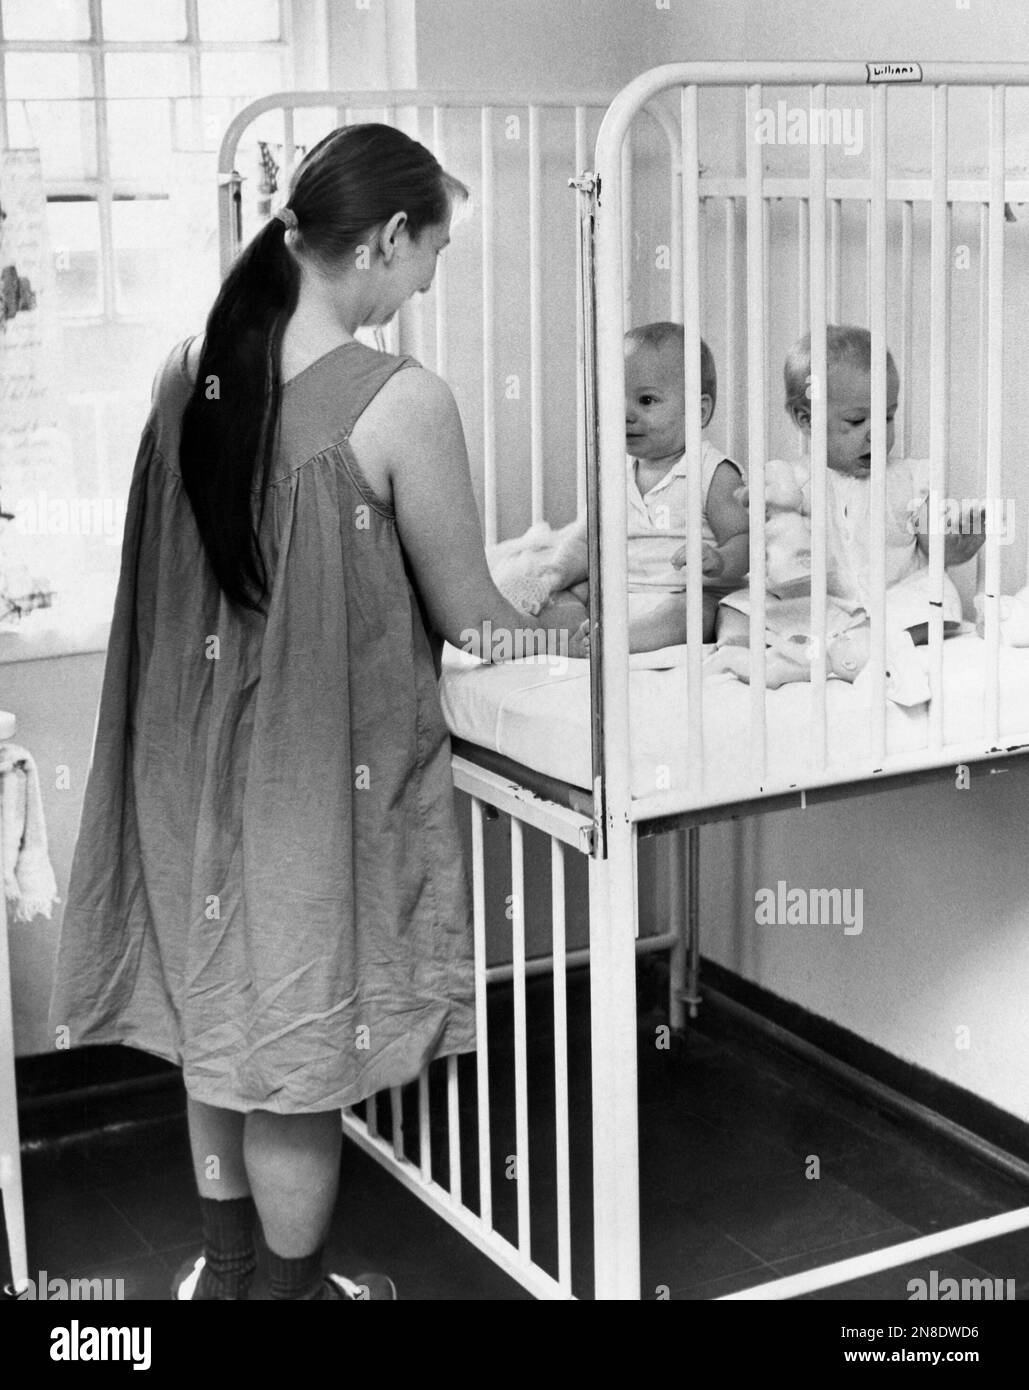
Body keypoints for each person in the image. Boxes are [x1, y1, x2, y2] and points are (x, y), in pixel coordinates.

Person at [49, 123, 568, 1302]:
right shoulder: (401, 403)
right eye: (432, 251)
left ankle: (226, 1278)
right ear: (385, 241)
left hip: (184, 769)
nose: (433, 278)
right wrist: (572, 607)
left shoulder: (190, 370)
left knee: (218, 1026)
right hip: (300, 784)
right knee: (294, 1058)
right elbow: (475, 620)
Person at [715, 325, 987, 693]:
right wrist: (759, 510)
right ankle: (748, 651)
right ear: (805, 419)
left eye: (887, 416)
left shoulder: (911, 477)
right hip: (822, 606)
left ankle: (833, 653)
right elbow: (777, 548)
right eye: (857, 421)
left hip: (890, 600)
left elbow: (932, 542)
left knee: (937, 597)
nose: (876, 433)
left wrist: (954, 545)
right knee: (736, 608)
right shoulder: (794, 481)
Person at [539, 321, 749, 654]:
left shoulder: (714, 473)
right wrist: (554, 574)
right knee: (561, 597)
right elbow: (585, 540)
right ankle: (542, 638)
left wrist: (720, 560)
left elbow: (745, 540)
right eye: (617, 398)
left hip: (685, 595)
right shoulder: (613, 474)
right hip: (617, 594)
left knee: (690, 615)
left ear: (700, 410)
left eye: (646, 400)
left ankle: (613, 643)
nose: (625, 413)